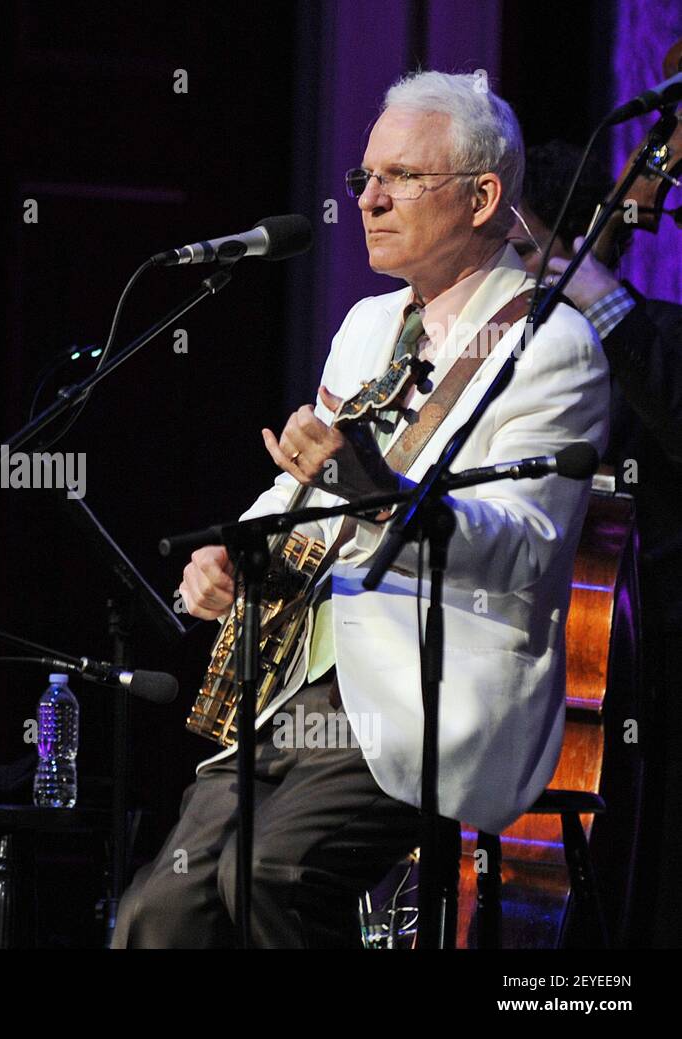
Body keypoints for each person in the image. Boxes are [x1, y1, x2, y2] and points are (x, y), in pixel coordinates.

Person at [112, 71, 610, 948]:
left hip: (429, 688)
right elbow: (304, 486)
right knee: (160, 911)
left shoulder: (550, 344)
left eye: (401, 178)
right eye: (364, 179)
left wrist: (372, 489)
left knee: (266, 872)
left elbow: (524, 547)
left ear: (484, 196)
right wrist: (237, 553)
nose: (369, 200)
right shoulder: (368, 326)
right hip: (302, 678)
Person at [511, 140, 682, 947]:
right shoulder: (485, 360)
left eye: (522, 250)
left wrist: (599, 296)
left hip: (645, 694)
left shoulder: (659, 342)